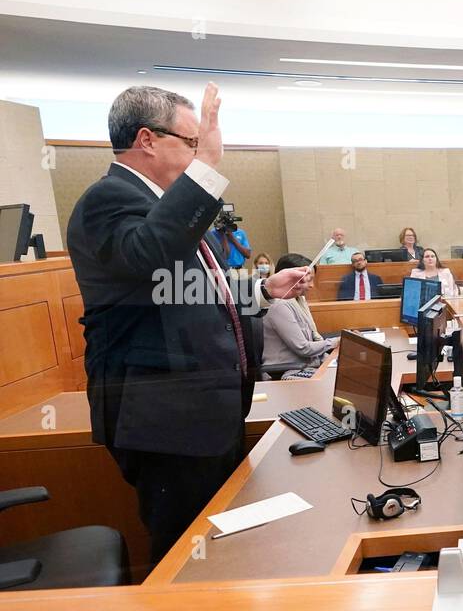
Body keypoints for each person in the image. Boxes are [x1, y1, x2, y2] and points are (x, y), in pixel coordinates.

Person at [66, 83, 312, 563]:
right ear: (147, 140)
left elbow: (179, 291)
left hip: (203, 415)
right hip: (165, 422)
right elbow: (148, 256)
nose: (200, 152)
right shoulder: (107, 200)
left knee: (220, 548)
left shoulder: (161, 208)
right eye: (191, 141)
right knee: (184, 553)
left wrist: (262, 290)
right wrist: (207, 169)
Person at [262, 253, 334, 373]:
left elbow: (313, 336)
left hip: (308, 365)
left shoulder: (300, 300)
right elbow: (303, 348)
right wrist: (335, 342)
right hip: (287, 371)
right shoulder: (279, 304)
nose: (311, 286)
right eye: (308, 280)